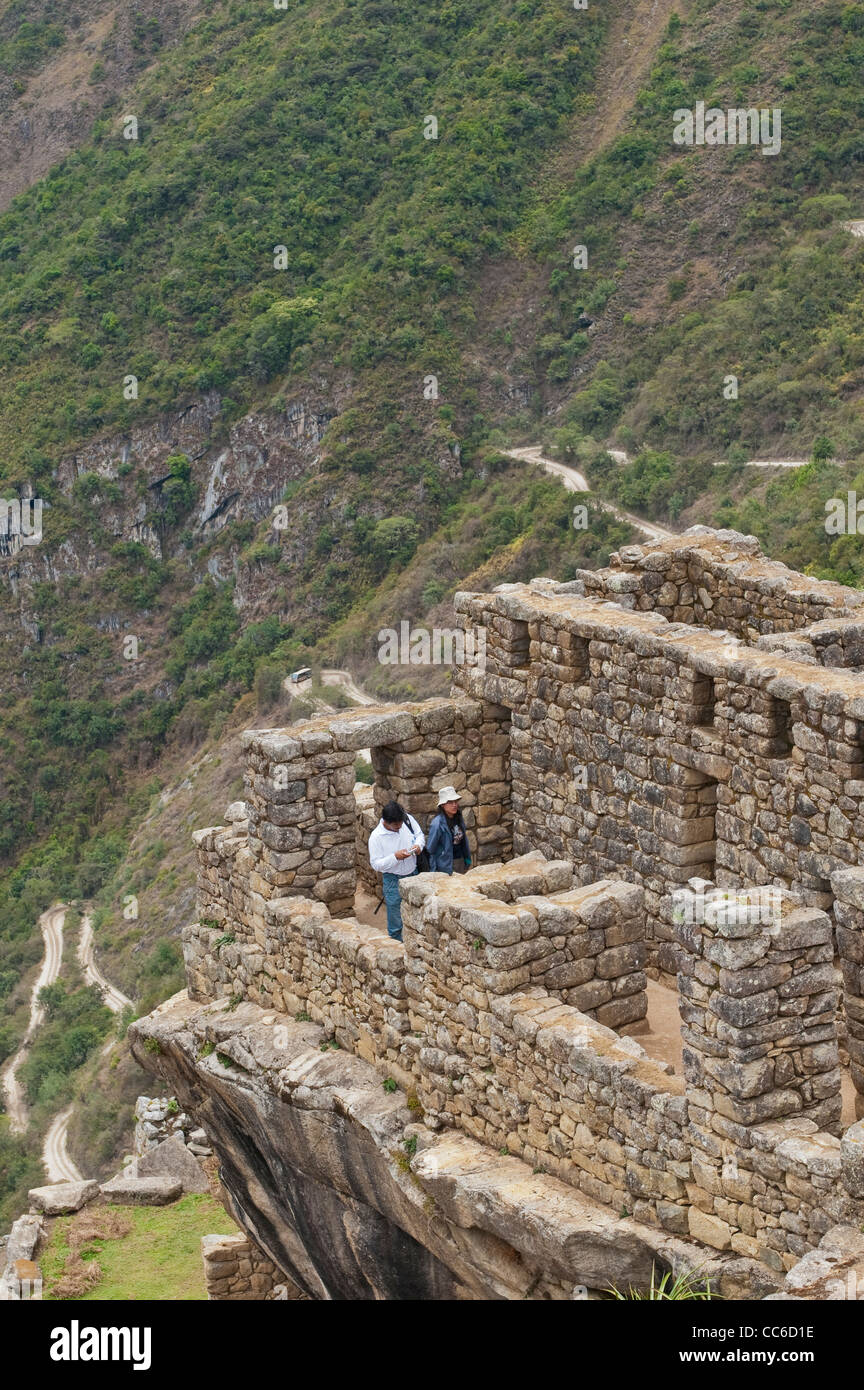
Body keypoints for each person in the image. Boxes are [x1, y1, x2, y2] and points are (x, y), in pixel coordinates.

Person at [368, 799, 425, 942]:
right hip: (393, 879)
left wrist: (418, 846)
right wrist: (395, 857)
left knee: (417, 912)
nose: (400, 827)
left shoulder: (407, 820)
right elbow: (376, 864)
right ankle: (397, 946)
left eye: (401, 824)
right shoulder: (376, 837)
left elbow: (419, 835)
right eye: (396, 826)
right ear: (385, 822)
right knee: (395, 918)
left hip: (413, 874)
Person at [426, 786, 472, 875]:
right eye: (450, 802)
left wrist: (467, 859)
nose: (454, 805)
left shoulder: (458, 818)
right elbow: (431, 850)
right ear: (443, 805)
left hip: (460, 861)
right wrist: (433, 872)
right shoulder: (437, 824)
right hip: (445, 866)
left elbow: (463, 841)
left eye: (455, 801)